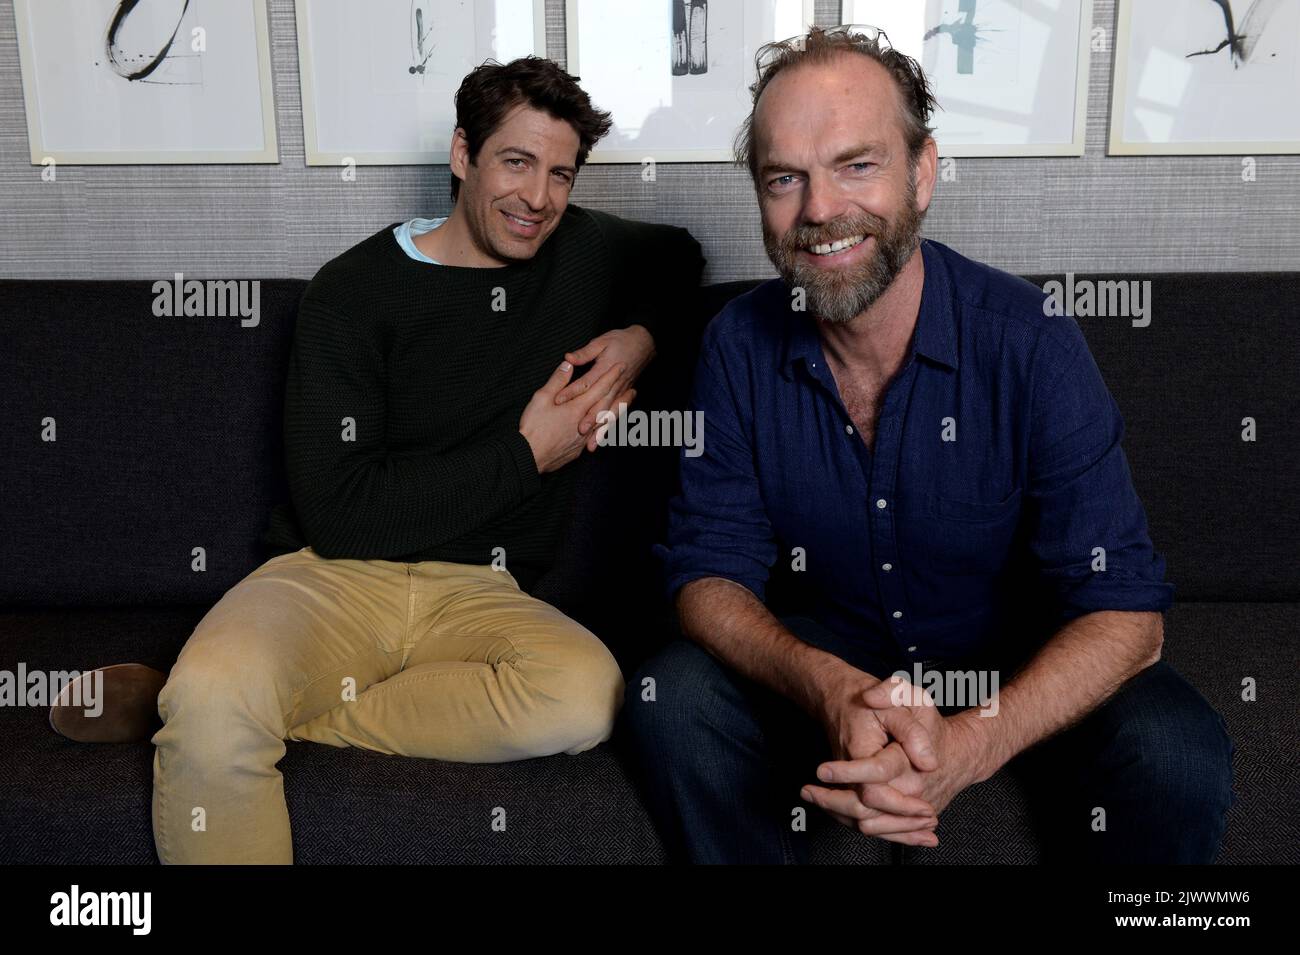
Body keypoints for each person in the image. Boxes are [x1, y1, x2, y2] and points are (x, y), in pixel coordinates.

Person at [51, 55, 705, 865]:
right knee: (218, 699)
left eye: (561, 174)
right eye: (516, 162)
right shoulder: (351, 293)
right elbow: (341, 508)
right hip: (332, 571)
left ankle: (246, 712)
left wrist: (635, 345)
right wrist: (529, 455)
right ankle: (216, 705)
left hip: (481, 588)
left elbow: (679, 257)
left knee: (587, 694)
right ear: (463, 155)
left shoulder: (580, 252)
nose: (538, 197)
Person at [622, 26, 1233, 864]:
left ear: (923, 171)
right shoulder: (737, 343)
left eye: (856, 164)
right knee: (672, 698)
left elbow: (1127, 613)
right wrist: (829, 686)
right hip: (826, 668)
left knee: (1177, 751)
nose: (821, 209)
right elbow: (704, 573)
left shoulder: (1031, 341)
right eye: (784, 178)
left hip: (1015, 672)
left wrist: (970, 743)